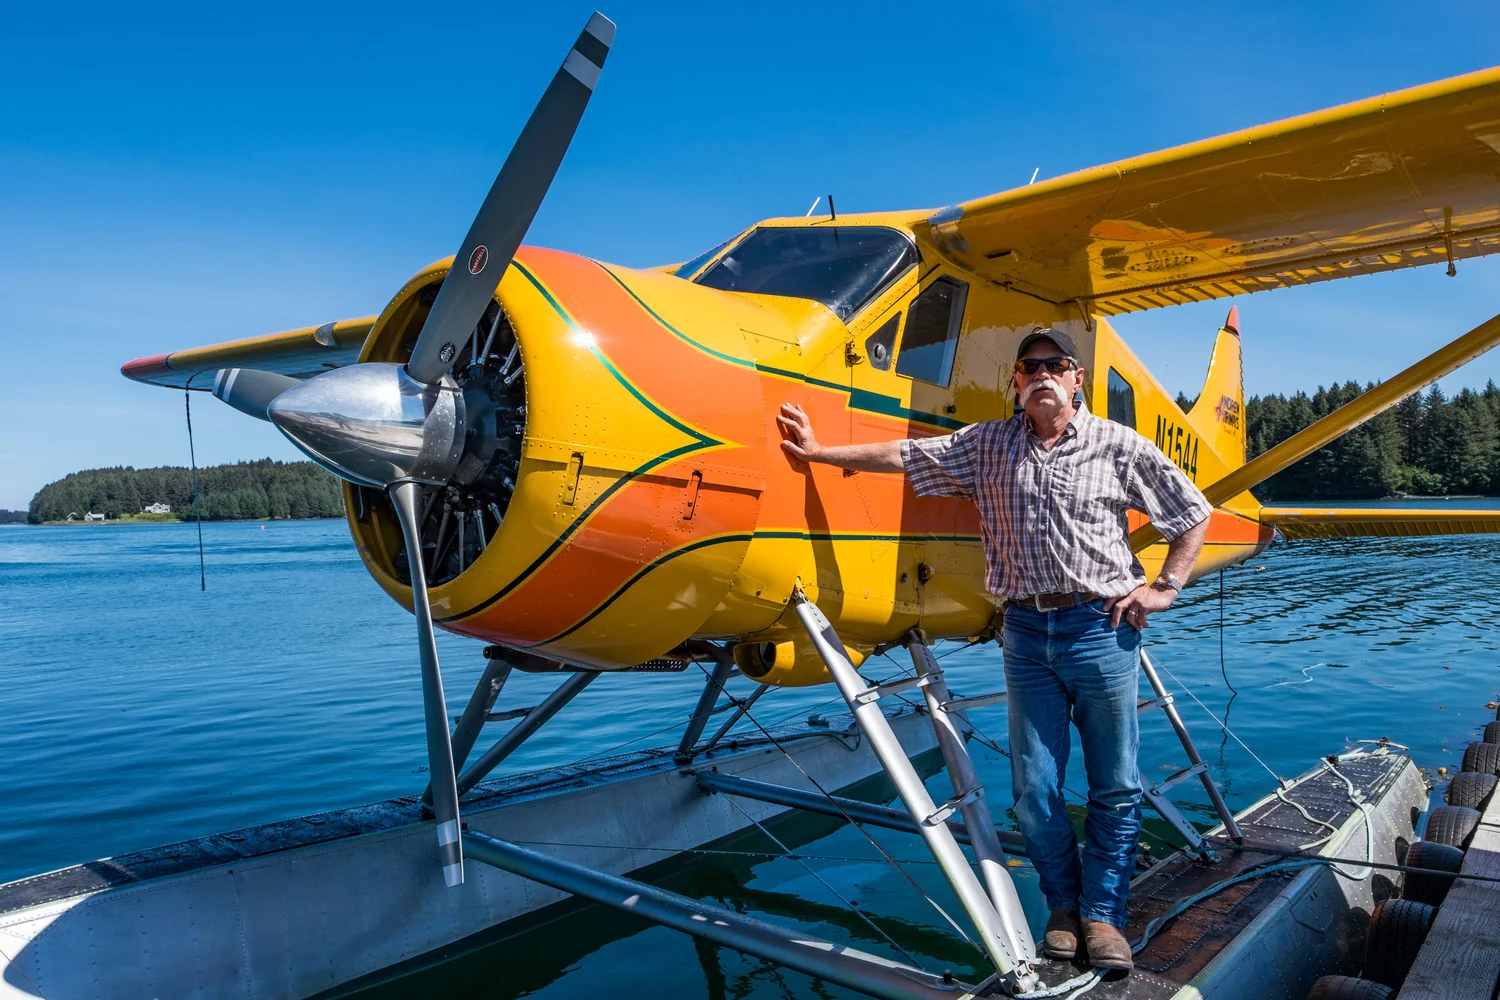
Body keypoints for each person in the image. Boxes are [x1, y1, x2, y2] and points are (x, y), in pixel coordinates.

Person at [776, 328, 1211, 970]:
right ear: (1015, 381)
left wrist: (1165, 586)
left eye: (1056, 365)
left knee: (1116, 785)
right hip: (1025, 632)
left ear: (1077, 378)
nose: (1042, 374)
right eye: (1029, 366)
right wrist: (818, 453)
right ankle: (1063, 907)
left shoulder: (1118, 444)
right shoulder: (986, 444)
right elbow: (904, 454)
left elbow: (1191, 512)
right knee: (1033, 790)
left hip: (1101, 626)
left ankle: (1103, 915)